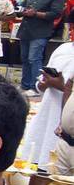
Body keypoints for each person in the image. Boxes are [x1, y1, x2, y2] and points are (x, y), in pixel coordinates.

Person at [19, 37, 74, 165]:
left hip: (67, 126)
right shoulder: (63, 49)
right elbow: (41, 85)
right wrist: (46, 83)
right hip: (46, 120)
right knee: (38, 163)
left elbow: (66, 87)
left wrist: (61, 86)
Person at [17, 0, 68, 95]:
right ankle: (25, 85)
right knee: (24, 59)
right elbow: (22, 7)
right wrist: (21, 11)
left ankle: (36, 87)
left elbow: (55, 14)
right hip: (25, 31)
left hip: (40, 32)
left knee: (34, 59)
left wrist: (35, 14)